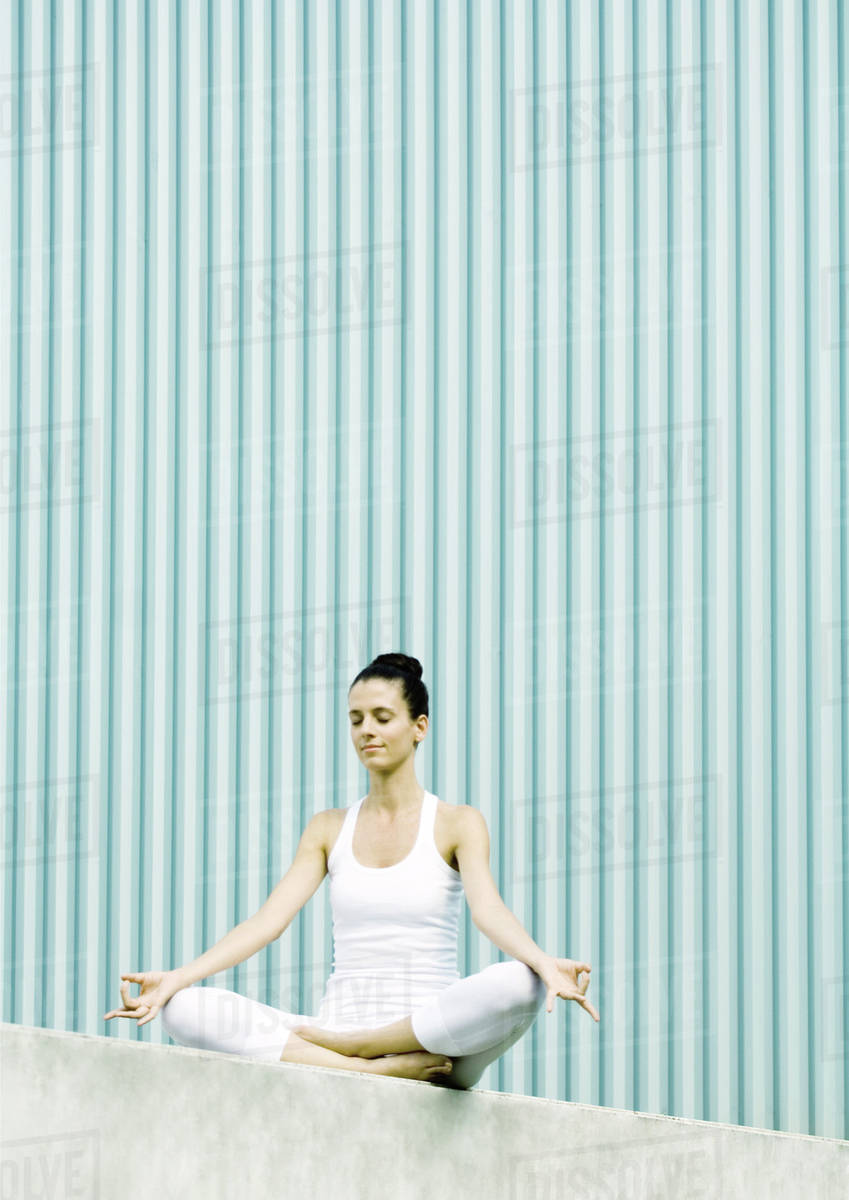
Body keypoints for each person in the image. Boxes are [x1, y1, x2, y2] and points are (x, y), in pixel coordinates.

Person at [104, 653, 599, 1089]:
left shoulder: (456, 822)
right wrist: (177, 978)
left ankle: (364, 1049)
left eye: (383, 717)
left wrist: (542, 961)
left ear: (419, 726)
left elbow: (489, 911)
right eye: (357, 719)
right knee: (184, 1008)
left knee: (522, 983)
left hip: (435, 1040)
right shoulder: (328, 828)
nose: (367, 730)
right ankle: (369, 1069)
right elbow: (265, 923)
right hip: (333, 1031)